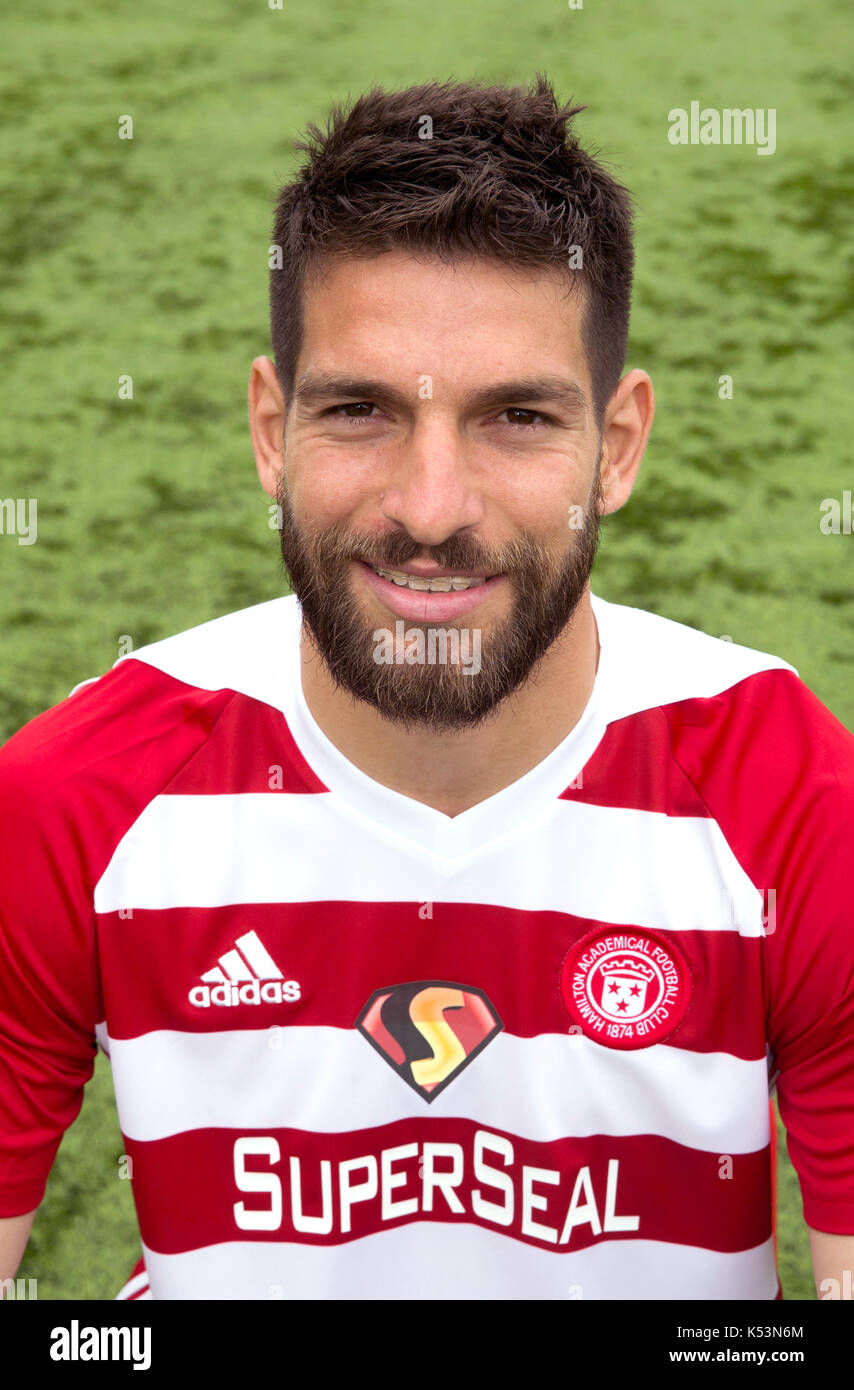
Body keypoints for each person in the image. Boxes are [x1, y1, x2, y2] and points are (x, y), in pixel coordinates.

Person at [1, 75, 852, 1302]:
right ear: (267, 428)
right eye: (356, 411)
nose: (430, 511)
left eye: (515, 417)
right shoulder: (75, 796)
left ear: (614, 449)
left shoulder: (793, 794)